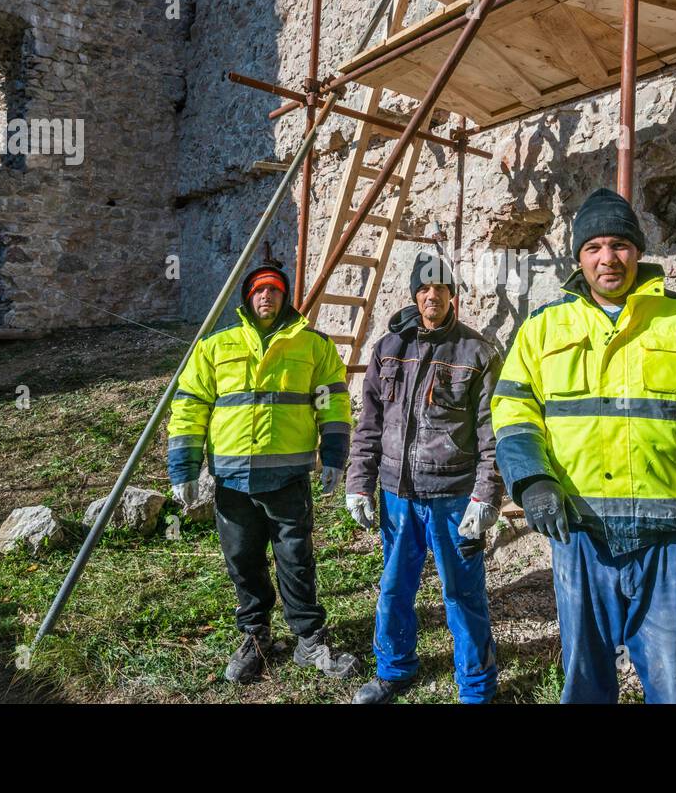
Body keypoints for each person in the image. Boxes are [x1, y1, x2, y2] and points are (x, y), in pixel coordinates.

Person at [490, 188, 676, 703]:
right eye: (593, 247)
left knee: (671, 684)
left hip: (672, 543)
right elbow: (512, 409)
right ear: (578, 258)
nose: (607, 258)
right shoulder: (542, 327)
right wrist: (532, 478)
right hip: (582, 539)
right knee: (586, 681)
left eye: (619, 245)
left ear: (638, 251)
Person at [167, 261, 359, 683]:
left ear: (284, 296)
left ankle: (309, 639)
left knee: (296, 560)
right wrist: (184, 465)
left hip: (288, 480)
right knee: (243, 560)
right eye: (258, 291)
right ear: (246, 298)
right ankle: (255, 636)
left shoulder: (313, 346)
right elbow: (189, 406)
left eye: (273, 290)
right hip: (232, 482)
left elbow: (331, 403)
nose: (266, 297)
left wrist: (333, 454)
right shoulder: (215, 346)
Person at [345, 251, 502, 704]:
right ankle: (394, 669)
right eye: (424, 288)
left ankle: (476, 689)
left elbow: (496, 433)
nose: (432, 296)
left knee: (462, 593)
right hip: (397, 495)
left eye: (441, 288)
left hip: (453, 498)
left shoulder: (477, 353)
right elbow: (369, 423)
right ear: (414, 293)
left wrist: (485, 496)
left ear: (453, 295)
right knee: (394, 588)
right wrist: (359, 482)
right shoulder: (388, 348)